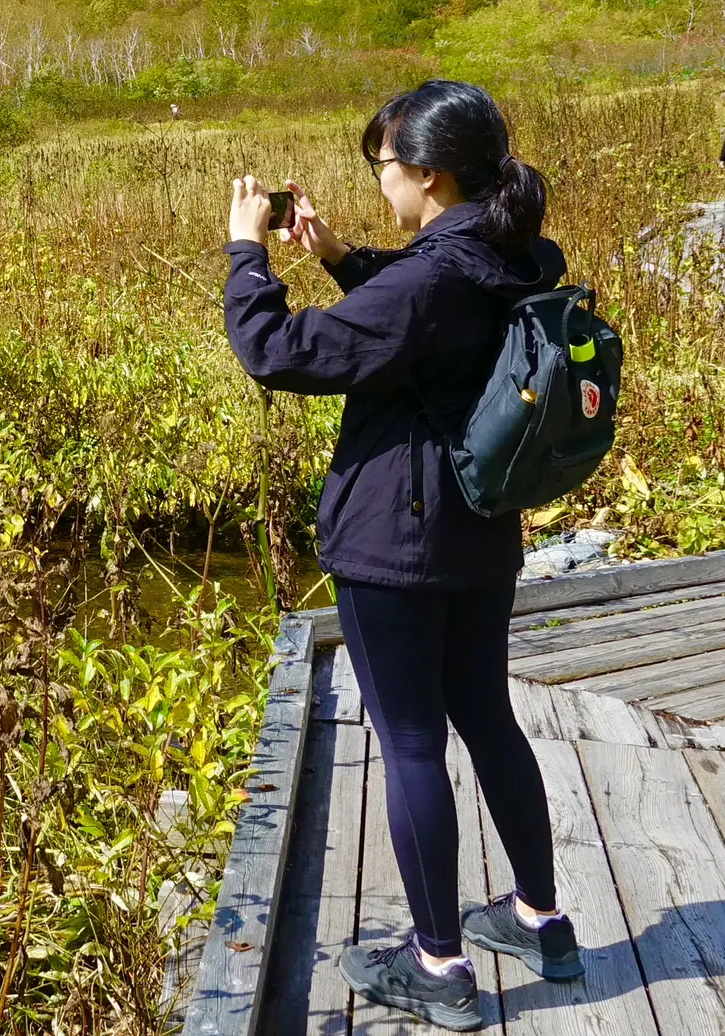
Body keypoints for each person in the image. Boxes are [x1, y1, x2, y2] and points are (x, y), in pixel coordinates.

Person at [222, 80, 582, 1031]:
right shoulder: (516, 251)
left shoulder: (427, 282)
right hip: (481, 528)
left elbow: (277, 351)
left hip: (396, 539)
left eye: (384, 166)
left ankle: (438, 967)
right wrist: (340, 256)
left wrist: (244, 253)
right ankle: (540, 923)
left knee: (413, 742)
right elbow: (418, 312)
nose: (379, 179)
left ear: (426, 174)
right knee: (488, 720)